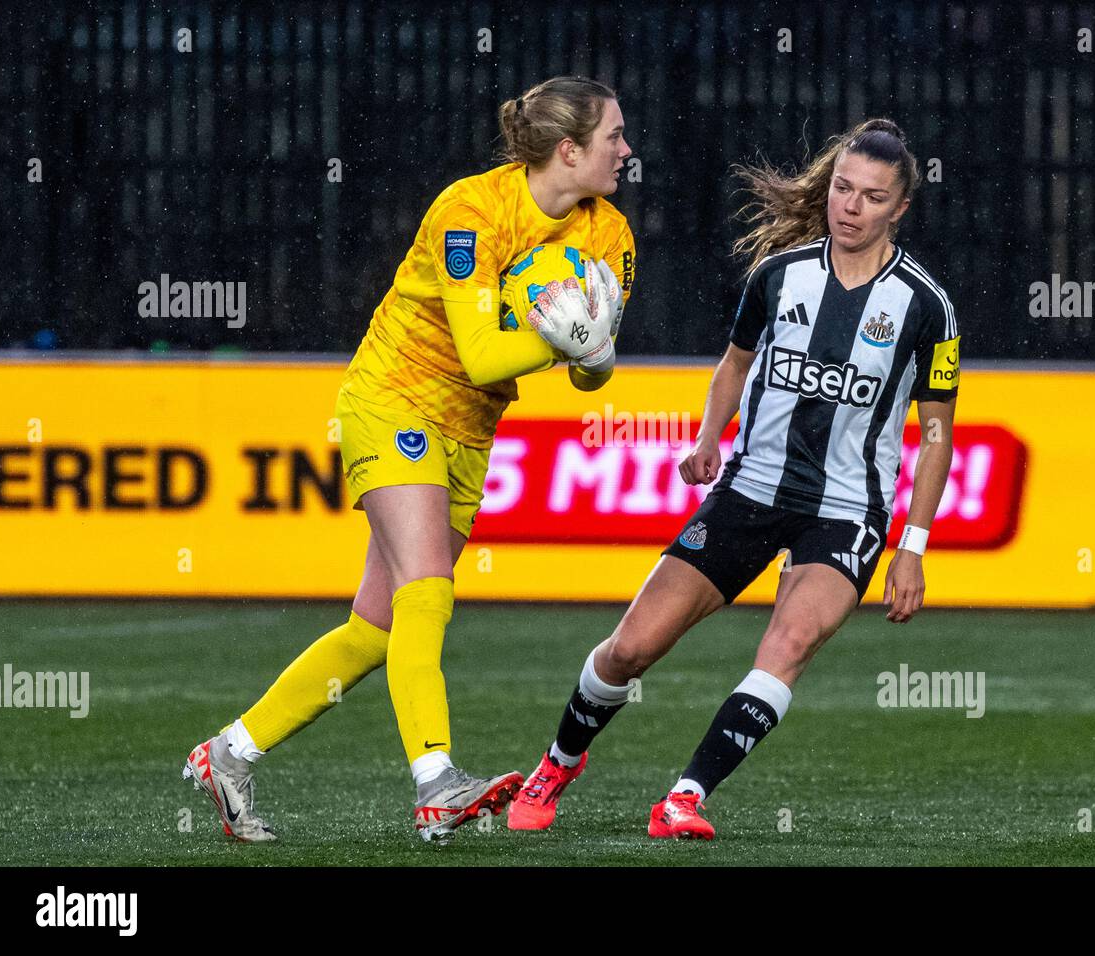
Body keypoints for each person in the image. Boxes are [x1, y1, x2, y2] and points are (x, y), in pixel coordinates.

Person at [183, 76, 635, 843]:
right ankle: (437, 782)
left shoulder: (609, 235)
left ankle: (226, 755)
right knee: (428, 589)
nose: (627, 151)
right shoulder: (471, 212)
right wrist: (568, 339)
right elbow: (484, 353)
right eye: (614, 137)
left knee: (377, 627)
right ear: (568, 149)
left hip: (470, 430)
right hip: (393, 398)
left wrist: (593, 354)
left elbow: (594, 367)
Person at [507, 118, 958, 840]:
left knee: (788, 645)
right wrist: (708, 438)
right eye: (843, 188)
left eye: (872, 197)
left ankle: (684, 797)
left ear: (899, 209)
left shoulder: (925, 306)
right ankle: (557, 762)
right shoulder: (778, 276)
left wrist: (914, 544)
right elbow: (736, 364)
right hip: (750, 490)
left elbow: (937, 431)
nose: (850, 206)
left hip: (847, 509)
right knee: (630, 648)